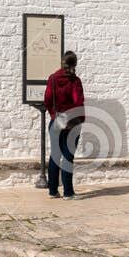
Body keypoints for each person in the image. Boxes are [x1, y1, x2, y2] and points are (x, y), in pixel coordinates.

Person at [42, 51, 85, 198]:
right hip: (72, 123)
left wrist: (54, 115)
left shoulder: (52, 79)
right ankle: (68, 192)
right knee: (68, 156)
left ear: (62, 63)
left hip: (57, 121)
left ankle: (53, 191)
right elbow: (78, 103)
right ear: (74, 65)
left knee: (55, 156)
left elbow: (47, 100)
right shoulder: (75, 81)